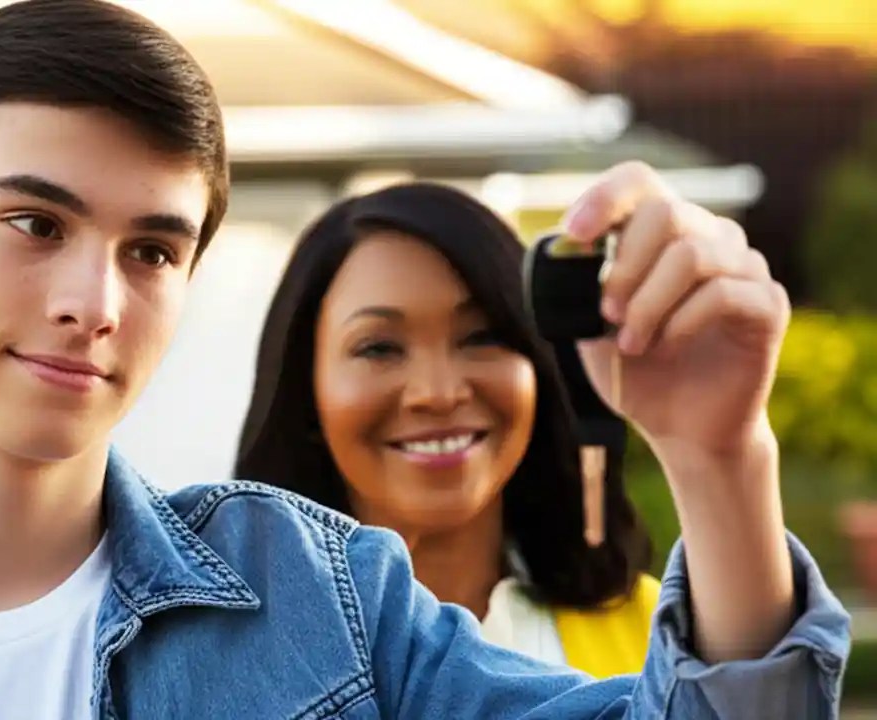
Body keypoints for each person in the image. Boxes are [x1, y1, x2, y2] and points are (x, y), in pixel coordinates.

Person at [0, 1, 849, 718]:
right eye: (34, 223)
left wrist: (715, 453)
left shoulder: (323, 604)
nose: (93, 299)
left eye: (150, 250)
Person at [234, 182, 660, 678]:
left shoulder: (661, 639)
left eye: (482, 336)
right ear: (306, 391)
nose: (437, 393)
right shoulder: (224, 664)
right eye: (378, 347)